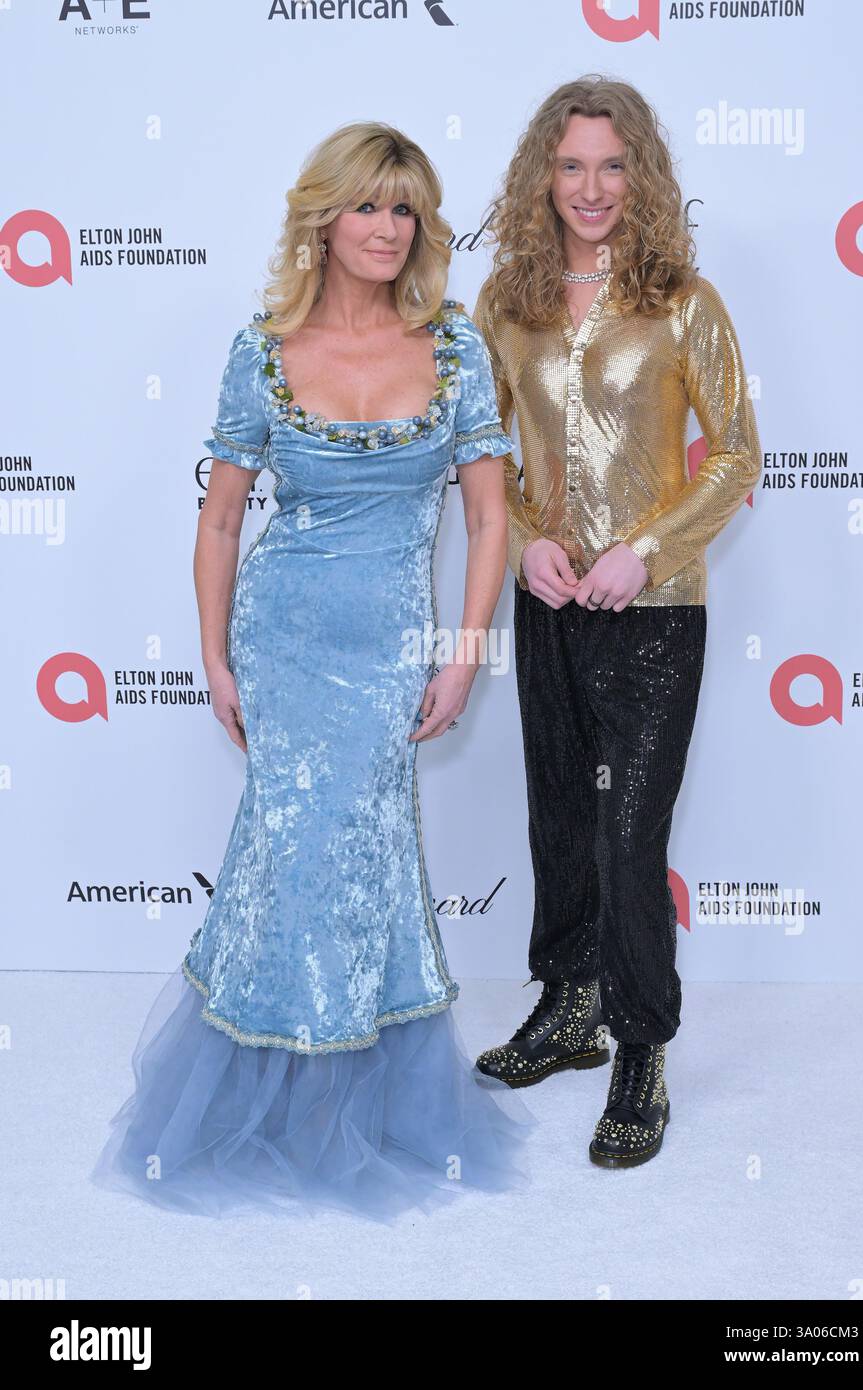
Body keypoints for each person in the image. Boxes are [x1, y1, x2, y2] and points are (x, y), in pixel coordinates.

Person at [91, 121, 533, 1219]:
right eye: (368, 205)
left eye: (406, 209)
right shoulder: (261, 349)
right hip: (285, 643)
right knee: (292, 860)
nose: (388, 228)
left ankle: (356, 1105)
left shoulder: (457, 348)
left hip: (391, 649)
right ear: (323, 218)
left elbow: (489, 523)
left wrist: (464, 654)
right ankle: (278, 1104)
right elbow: (223, 518)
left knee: (365, 859)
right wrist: (212, 656)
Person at [472, 76, 762, 1168]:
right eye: (571, 165)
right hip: (546, 604)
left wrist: (643, 549)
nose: (591, 188)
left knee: (631, 836)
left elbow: (738, 453)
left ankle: (641, 1045)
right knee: (558, 816)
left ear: (639, 175)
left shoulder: (685, 298)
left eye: (612, 165)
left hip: (655, 611)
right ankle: (569, 1005)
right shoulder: (507, 300)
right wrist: (530, 540)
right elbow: (483, 449)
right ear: (542, 176)